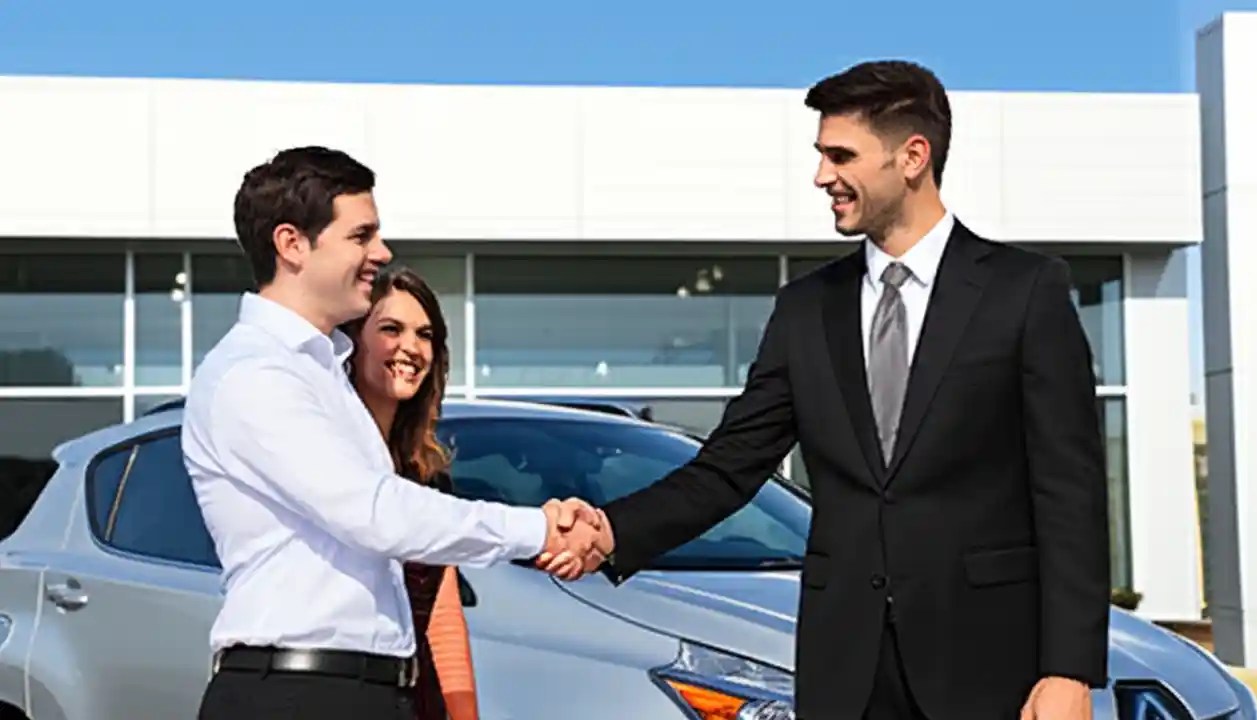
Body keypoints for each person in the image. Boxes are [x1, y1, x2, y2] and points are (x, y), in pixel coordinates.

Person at [548, 60, 1111, 720]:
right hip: (846, 672)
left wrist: (1069, 669)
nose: (822, 177)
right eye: (820, 156)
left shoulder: (1025, 292)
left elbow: (1069, 493)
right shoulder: (805, 310)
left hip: (989, 672)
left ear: (912, 157)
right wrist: (611, 530)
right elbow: (729, 467)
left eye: (840, 156)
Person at [183, 146, 599, 720]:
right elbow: (376, 514)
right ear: (292, 244)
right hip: (298, 696)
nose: (381, 252)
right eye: (361, 236)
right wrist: (540, 529)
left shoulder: (323, 370)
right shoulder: (256, 373)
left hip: (362, 692)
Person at [339, 265, 482, 720]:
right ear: (353, 341)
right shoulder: (325, 460)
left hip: (417, 702)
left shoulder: (428, 480)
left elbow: (442, 620)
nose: (411, 347)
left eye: (424, 334)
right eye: (390, 329)